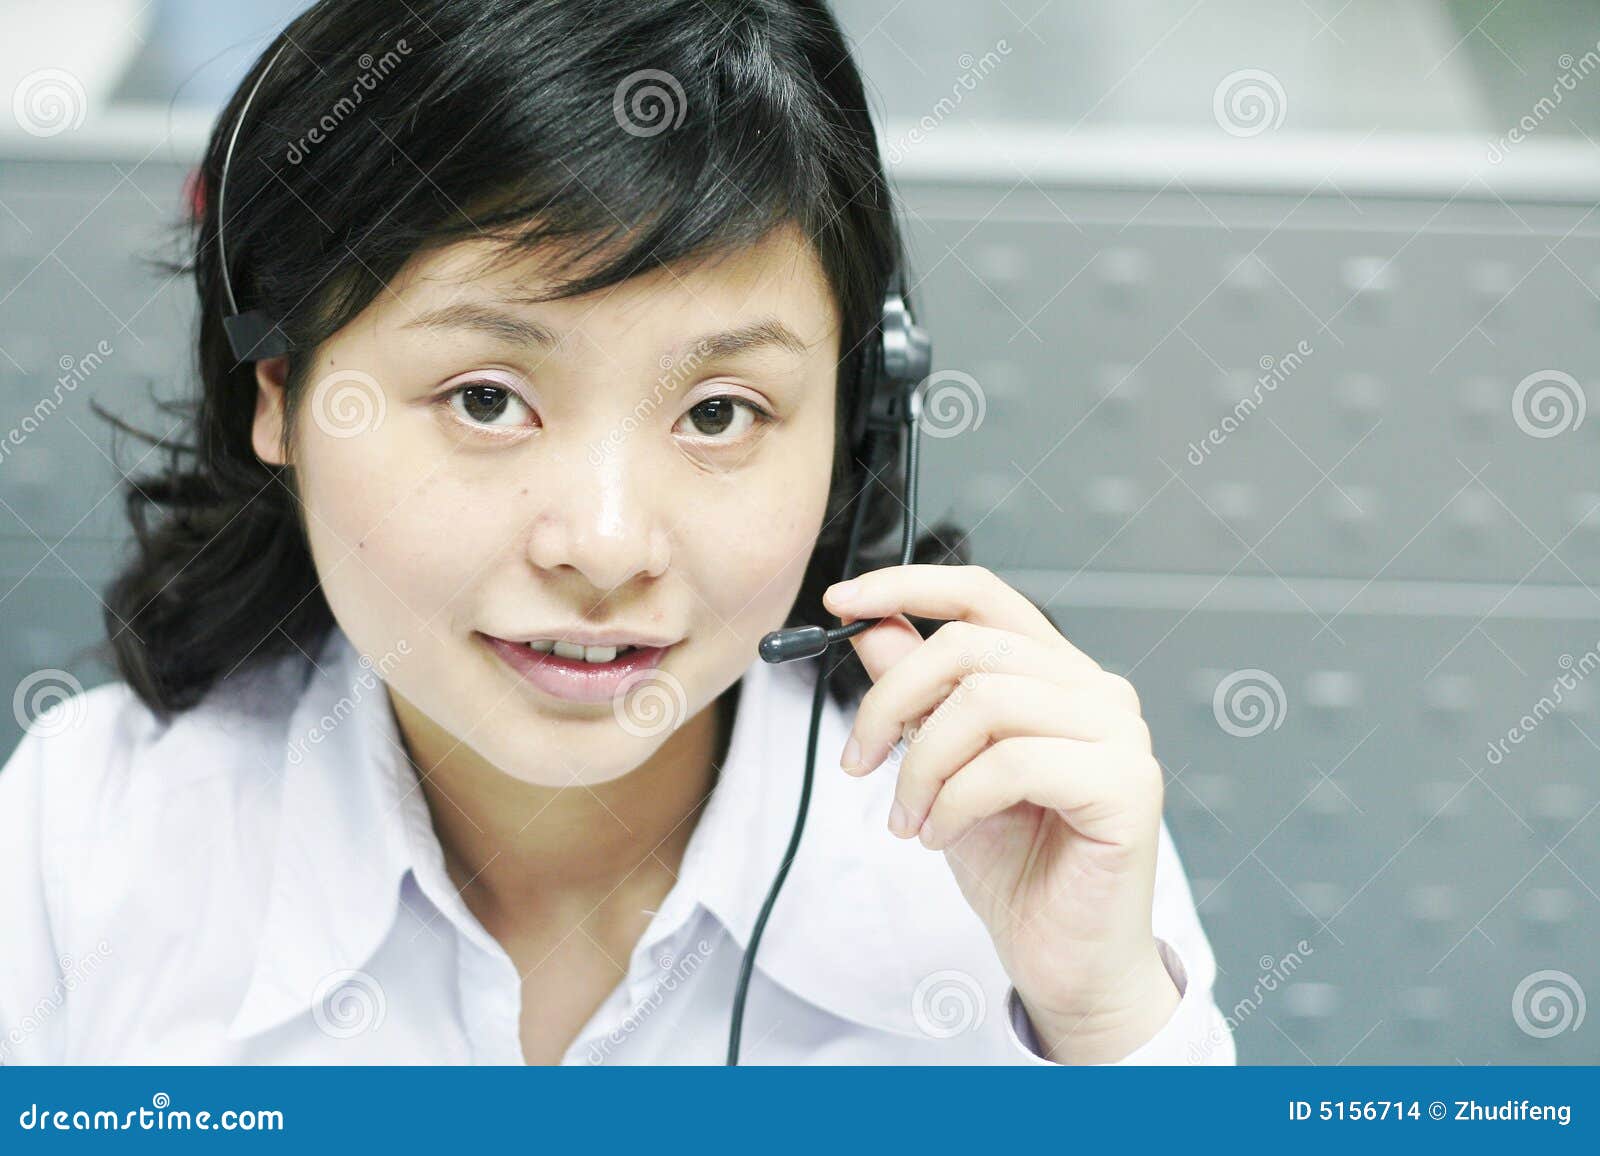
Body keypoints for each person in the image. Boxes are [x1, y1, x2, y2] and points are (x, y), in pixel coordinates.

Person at [0, 0, 1235, 1066]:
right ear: (278, 388)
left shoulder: (1002, 845)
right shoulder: (88, 838)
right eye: (486, 398)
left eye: (717, 411)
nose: (601, 544)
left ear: (857, 426)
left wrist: (1109, 1028)